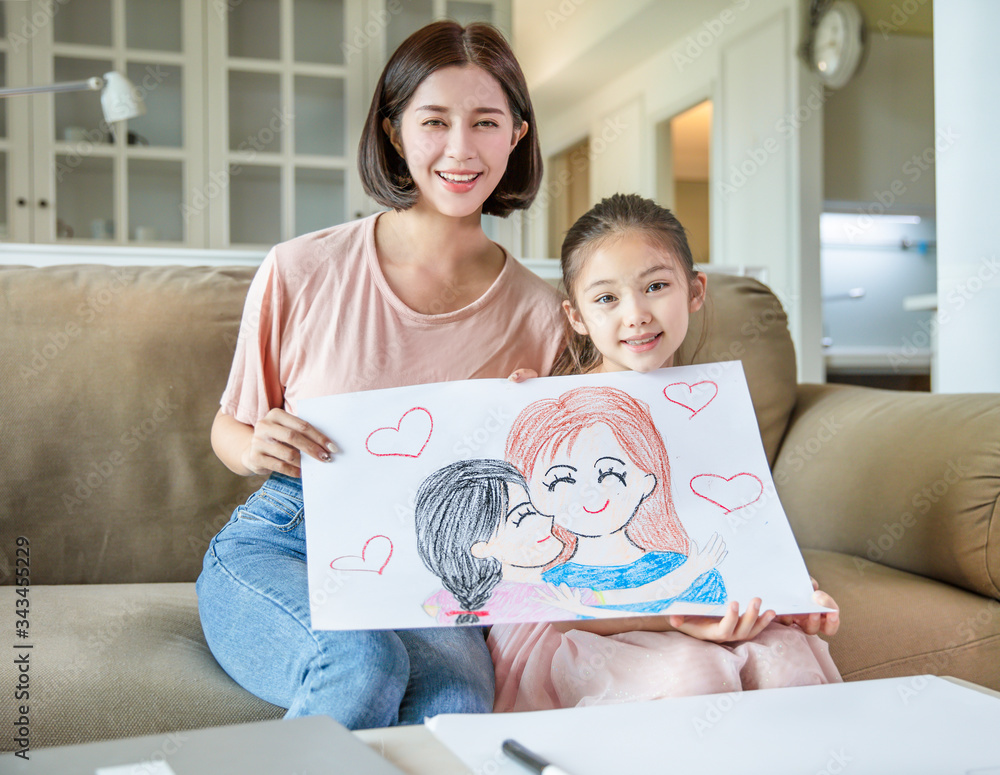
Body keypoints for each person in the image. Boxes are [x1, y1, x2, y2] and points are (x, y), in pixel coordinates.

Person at [195, 20, 566, 730]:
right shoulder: (299, 269)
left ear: (516, 135)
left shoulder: (544, 313)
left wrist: (531, 436)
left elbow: (551, 492)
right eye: (434, 121)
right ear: (395, 132)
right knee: (363, 661)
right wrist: (253, 446)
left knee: (456, 705)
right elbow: (229, 425)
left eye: (486, 122)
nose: (461, 149)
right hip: (285, 539)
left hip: (434, 565)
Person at [489, 193, 842, 712]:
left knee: (788, 662)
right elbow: (541, 590)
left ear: (695, 291)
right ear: (577, 315)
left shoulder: (715, 412)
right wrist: (686, 615)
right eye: (606, 298)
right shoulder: (555, 413)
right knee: (695, 674)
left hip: (695, 601)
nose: (636, 315)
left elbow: (737, 534)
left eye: (656, 286)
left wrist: (791, 596)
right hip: (589, 624)